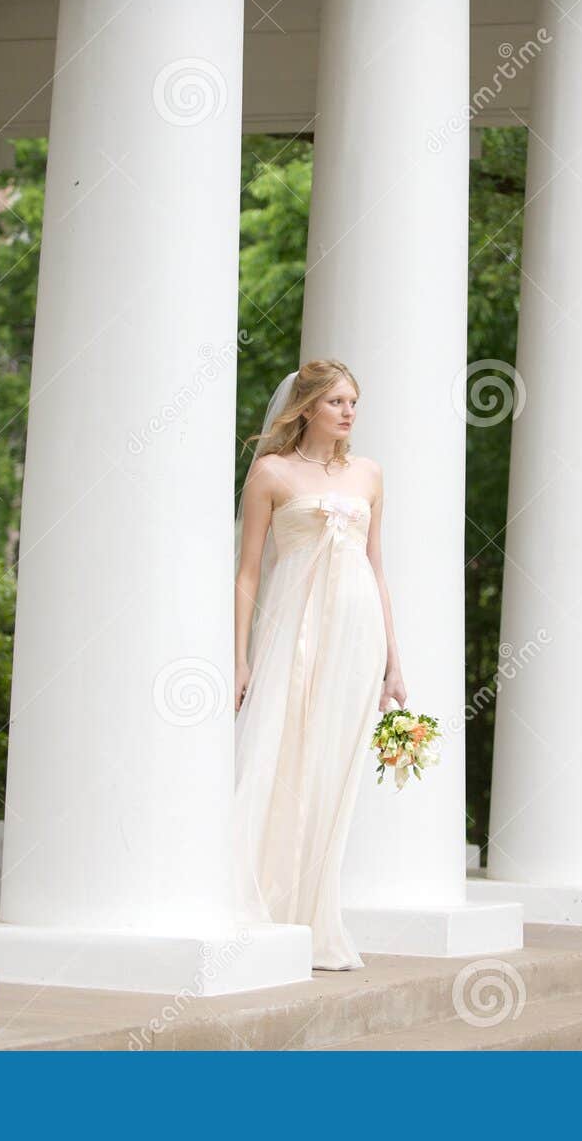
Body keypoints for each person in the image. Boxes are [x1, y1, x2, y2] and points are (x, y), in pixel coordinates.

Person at [230, 358, 407, 971]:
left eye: (354, 401)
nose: (349, 412)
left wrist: (394, 662)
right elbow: (248, 571)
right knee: (277, 756)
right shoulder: (270, 473)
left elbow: (378, 568)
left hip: (355, 631)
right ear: (306, 407)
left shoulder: (369, 474)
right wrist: (239, 658)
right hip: (290, 630)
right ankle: (257, 905)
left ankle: (314, 917)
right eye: (336, 402)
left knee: (334, 769)